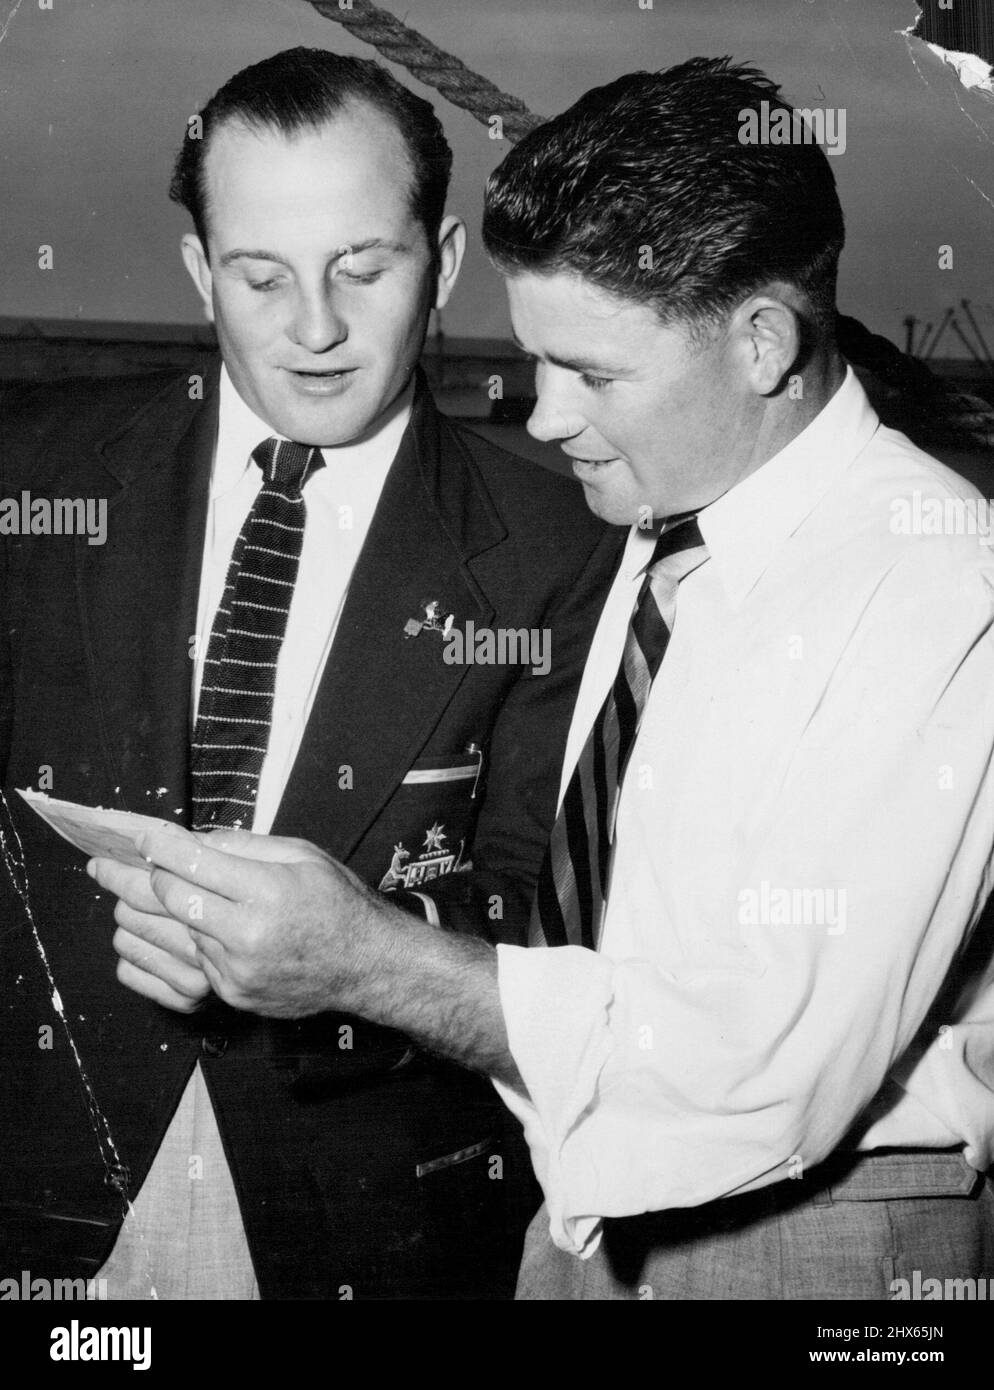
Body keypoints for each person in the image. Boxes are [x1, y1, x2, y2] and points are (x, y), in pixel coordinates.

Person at [90, 56, 994, 1300]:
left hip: (808, 1241)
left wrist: (366, 960)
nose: (546, 415)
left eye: (596, 374)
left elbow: (759, 1073)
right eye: (538, 362)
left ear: (762, 343)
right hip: (578, 1220)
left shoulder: (931, 586)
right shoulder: (673, 522)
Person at [0, 47, 620, 1300]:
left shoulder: (575, 546)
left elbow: (557, 930)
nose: (316, 328)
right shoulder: (32, 473)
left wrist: (350, 953)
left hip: (364, 1213)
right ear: (199, 273)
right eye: (260, 275)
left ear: (443, 262)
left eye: (363, 267)